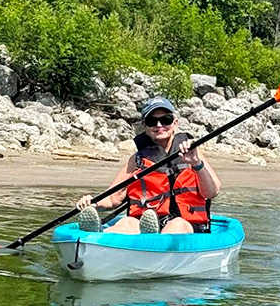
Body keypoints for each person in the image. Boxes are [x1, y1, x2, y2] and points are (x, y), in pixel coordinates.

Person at [75, 96, 221, 234]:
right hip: (147, 221)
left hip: (186, 225)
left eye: (166, 120)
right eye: (152, 121)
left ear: (175, 123)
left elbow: (212, 192)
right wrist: (93, 203)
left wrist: (197, 164)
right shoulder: (137, 160)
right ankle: (96, 237)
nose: (159, 125)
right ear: (145, 126)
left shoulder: (192, 153)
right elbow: (113, 198)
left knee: (177, 225)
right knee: (127, 222)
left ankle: (156, 243)